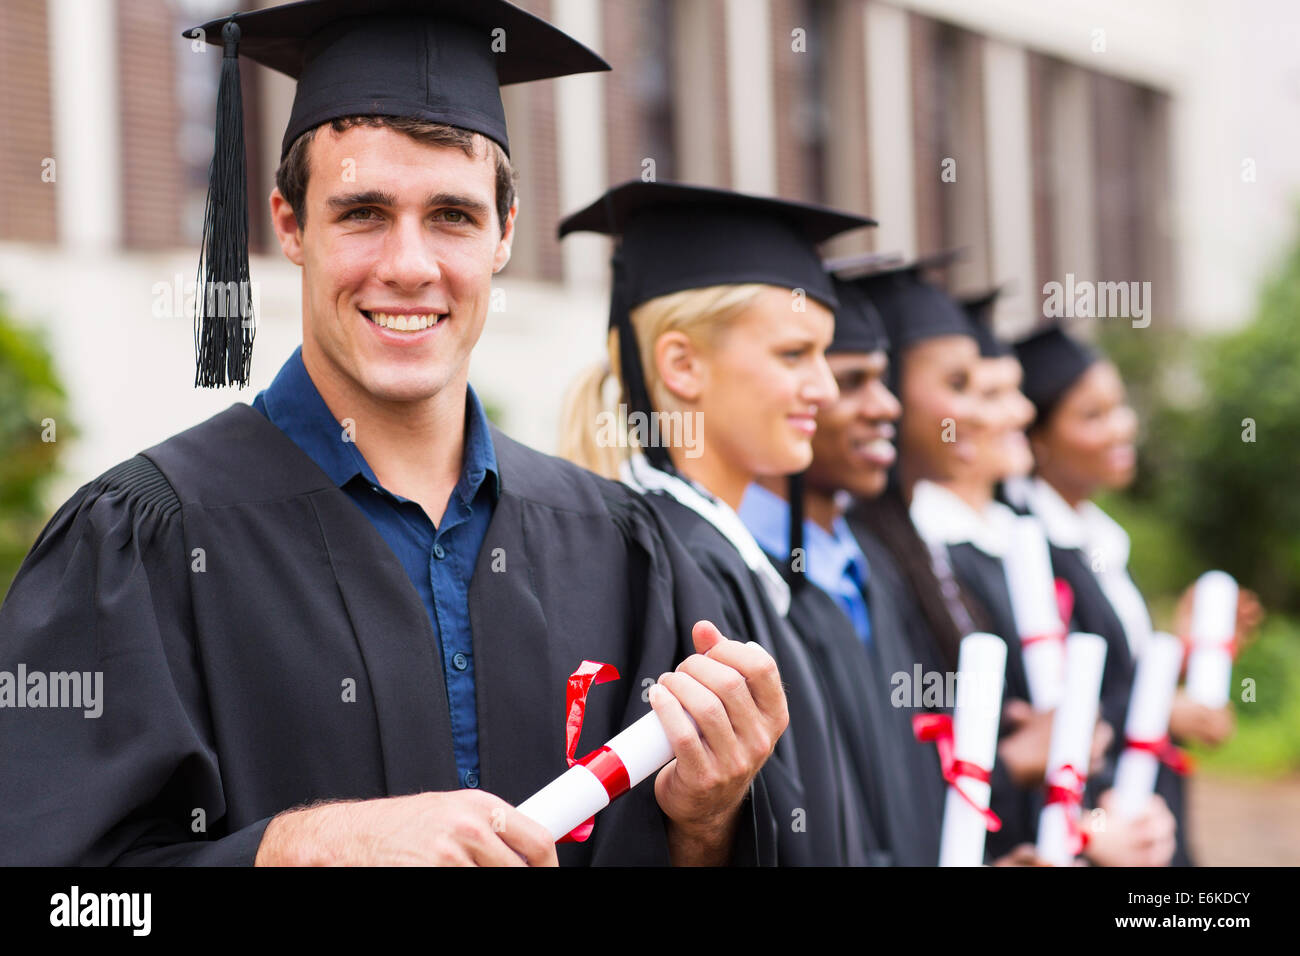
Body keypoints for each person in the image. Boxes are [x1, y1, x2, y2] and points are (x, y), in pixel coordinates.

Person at [0, 1, 788, 867]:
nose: (409, 266)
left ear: (503, 234)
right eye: (363, 212)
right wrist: (296, 848)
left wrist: (705, 826)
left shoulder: (617, 547)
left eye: (452, 215)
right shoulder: (141, 544)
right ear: (290, 225)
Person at [558, 180, 878, 865]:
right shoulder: (670, 565)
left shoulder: (727, 554)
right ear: (682, 365)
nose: (824, 387)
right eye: (795, 354)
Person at [1006, 324, 1259, 866]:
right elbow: (1053, 706)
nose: (1122, 427)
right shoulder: (1025, 548)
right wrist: (1162, 708)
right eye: (1092, 416)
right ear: (1036, 437)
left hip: (1144, 812)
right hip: (1093, 826)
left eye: (1119, 407)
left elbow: (1117, 673)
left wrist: (1181, 653)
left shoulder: (1094, 535)